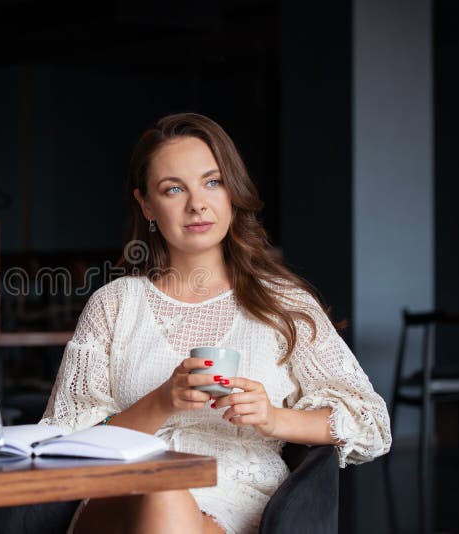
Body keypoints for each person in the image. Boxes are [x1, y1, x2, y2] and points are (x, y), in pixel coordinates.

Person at [39, 113, 391, 534]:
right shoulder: (114, 304)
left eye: (212, 182)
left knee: (171, 499)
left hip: (235, 499)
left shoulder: (283, 304)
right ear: (147, 205)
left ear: (232, 191)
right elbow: (66, 442)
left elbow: (370, 423)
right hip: (123, 497)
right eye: (173, 189)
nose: (197, 204)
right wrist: (161, 401)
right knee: (164, 488)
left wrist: (272, 417)